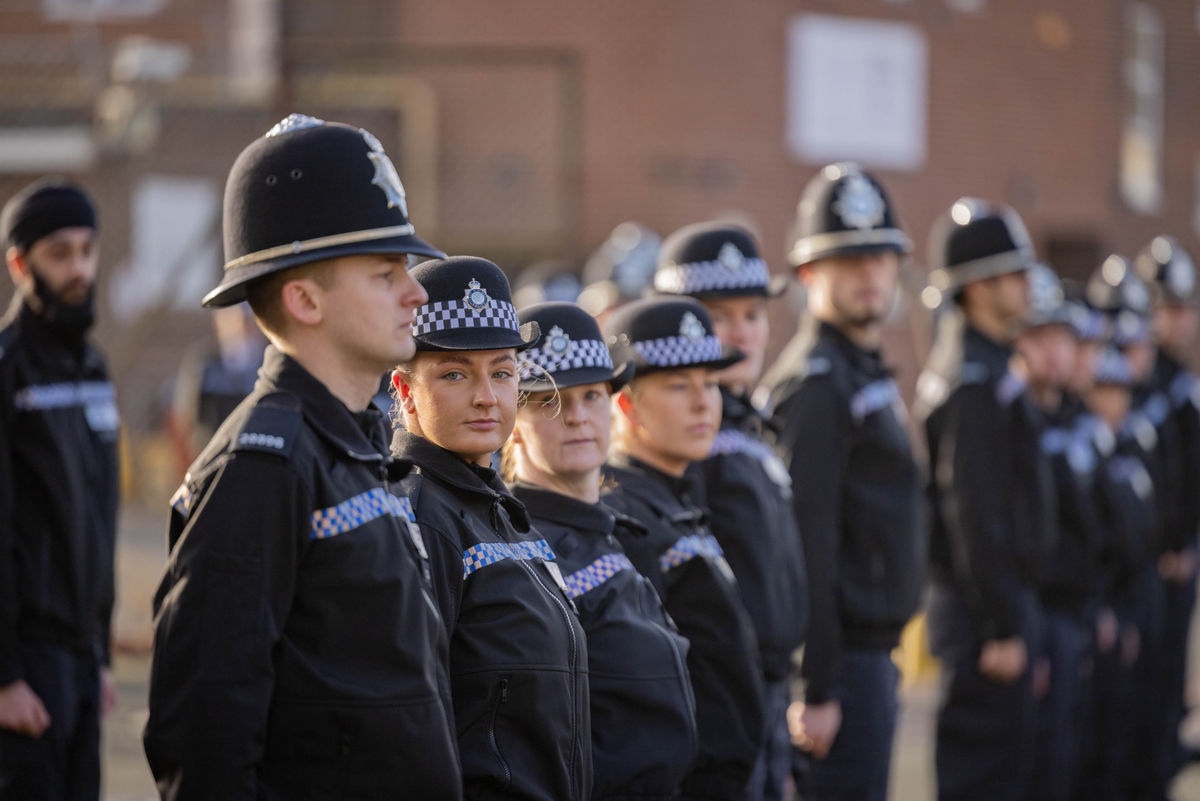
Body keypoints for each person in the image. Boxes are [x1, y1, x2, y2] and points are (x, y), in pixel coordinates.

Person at [143, 114, 462, 800]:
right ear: (305, 299)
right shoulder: (262, 466)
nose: (416, 291)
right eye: (385, 273)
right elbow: (205, 730)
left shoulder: (356, 443)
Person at [391, 257, 591, 801]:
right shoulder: (420, 515)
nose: (486, 396)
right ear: (405, 389)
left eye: (502, 372)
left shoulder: (498, 510)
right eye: (455, 374)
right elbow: (408, 726)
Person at [756, 164, 925, 801]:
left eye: (879, 257)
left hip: (871, 656)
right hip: (842, 666)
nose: (868, 273)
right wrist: (818, 684)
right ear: (807, 274)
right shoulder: (817, 385)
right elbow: (806, 542)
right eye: (848, 260)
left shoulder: (860, 370)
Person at [506, 300, 699, 801]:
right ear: (512, 419)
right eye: (548, 401)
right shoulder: (522, 549)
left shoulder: (612, 528)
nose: (576, 416)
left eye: (592, 395)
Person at [652, 219, 807, 801]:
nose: (741, 332)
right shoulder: (686, 441)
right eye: (719, 316)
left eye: (753, 314)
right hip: (716, 695)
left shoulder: (748, 423)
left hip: (770, 688)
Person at [914, 198, 1054, 801]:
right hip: (982, 620)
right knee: (985, 777)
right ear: (976, 288)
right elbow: (974, 512)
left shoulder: (991, 364)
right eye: (1012, 273)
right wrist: (1001, 625)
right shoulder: (972, 379)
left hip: (998, 606)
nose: (1027, 284)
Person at [601, 296, 766, 801]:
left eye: (710, 384)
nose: (703, 403)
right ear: (626, 404)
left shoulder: (678, 495)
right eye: (678, 386)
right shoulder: (622, 517)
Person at [0, 179, 117, 801]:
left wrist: (101, 655)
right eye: (60, 253)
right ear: (21, 266)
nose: (79, 270)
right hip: (26, 668)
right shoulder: (7, 372)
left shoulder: (95, 369)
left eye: (87, 250)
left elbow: (102, 515)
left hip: (83, 659)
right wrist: (4, 677)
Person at [1012, 265, 1101, 801]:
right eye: (1037, 336)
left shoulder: (1071, 416)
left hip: (1076, 612)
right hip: (1032, 617)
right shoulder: (1012, 419)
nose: (1052, 352)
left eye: (1060, 336)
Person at [1135, 235, 1200, 789]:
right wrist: (1168, 543)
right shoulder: (1138, 380)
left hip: (1182, 557)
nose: (1180, 322)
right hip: (1151, 560)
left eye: (1186, 309)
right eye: (1168, 309)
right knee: (1147, 685)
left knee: (1171, 677)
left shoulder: (1181, 379)